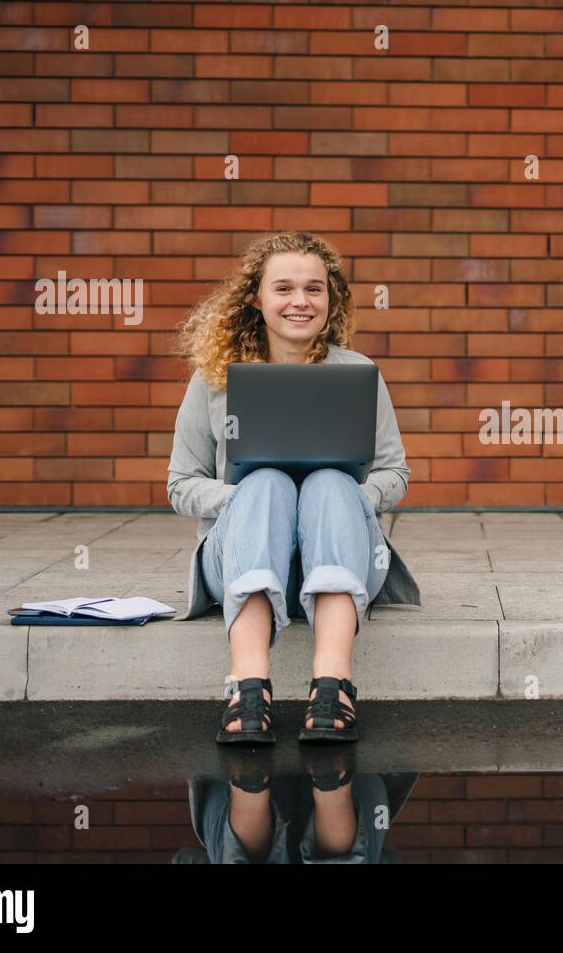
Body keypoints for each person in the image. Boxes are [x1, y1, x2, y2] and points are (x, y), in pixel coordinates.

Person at [166, 231, 421, 744]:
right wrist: (245, 499)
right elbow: (180, 483)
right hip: (243, 551)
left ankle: (333, 687)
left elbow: (395, 473)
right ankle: (248, 688)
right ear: (256, 298)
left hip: (340, 548)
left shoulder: (359, 373)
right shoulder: (215, 378)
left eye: (314, 289)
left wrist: (352, 497)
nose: (300, 302)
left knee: (329, 482)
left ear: (331, 299)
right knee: (264, 481)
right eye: (283, 288)